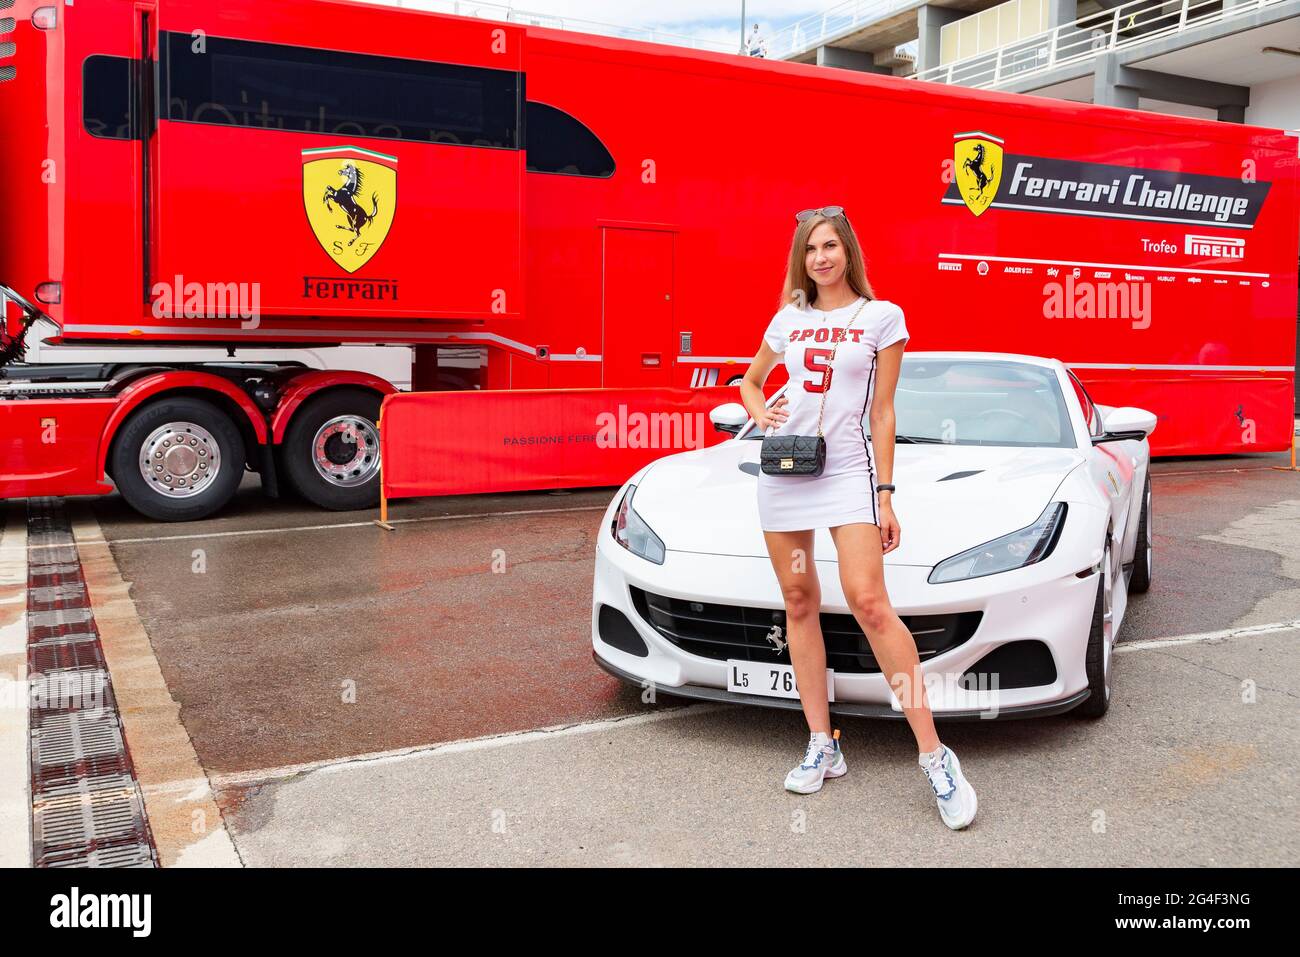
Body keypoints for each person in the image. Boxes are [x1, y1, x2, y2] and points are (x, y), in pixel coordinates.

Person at [737, 205, 977, 830]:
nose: (821, 257)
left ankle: (935, 753)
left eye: (830, 246)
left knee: (869, 601)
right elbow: (750, 380)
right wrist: (761, 411)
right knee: (797, 599)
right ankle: (823, 742)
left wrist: (887, 495)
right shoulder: (789, 317)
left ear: (848, 253)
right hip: (786, 475)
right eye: (811, 248)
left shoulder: (881, 318)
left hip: (847, 476)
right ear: (802, 258)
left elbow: (883, 414)